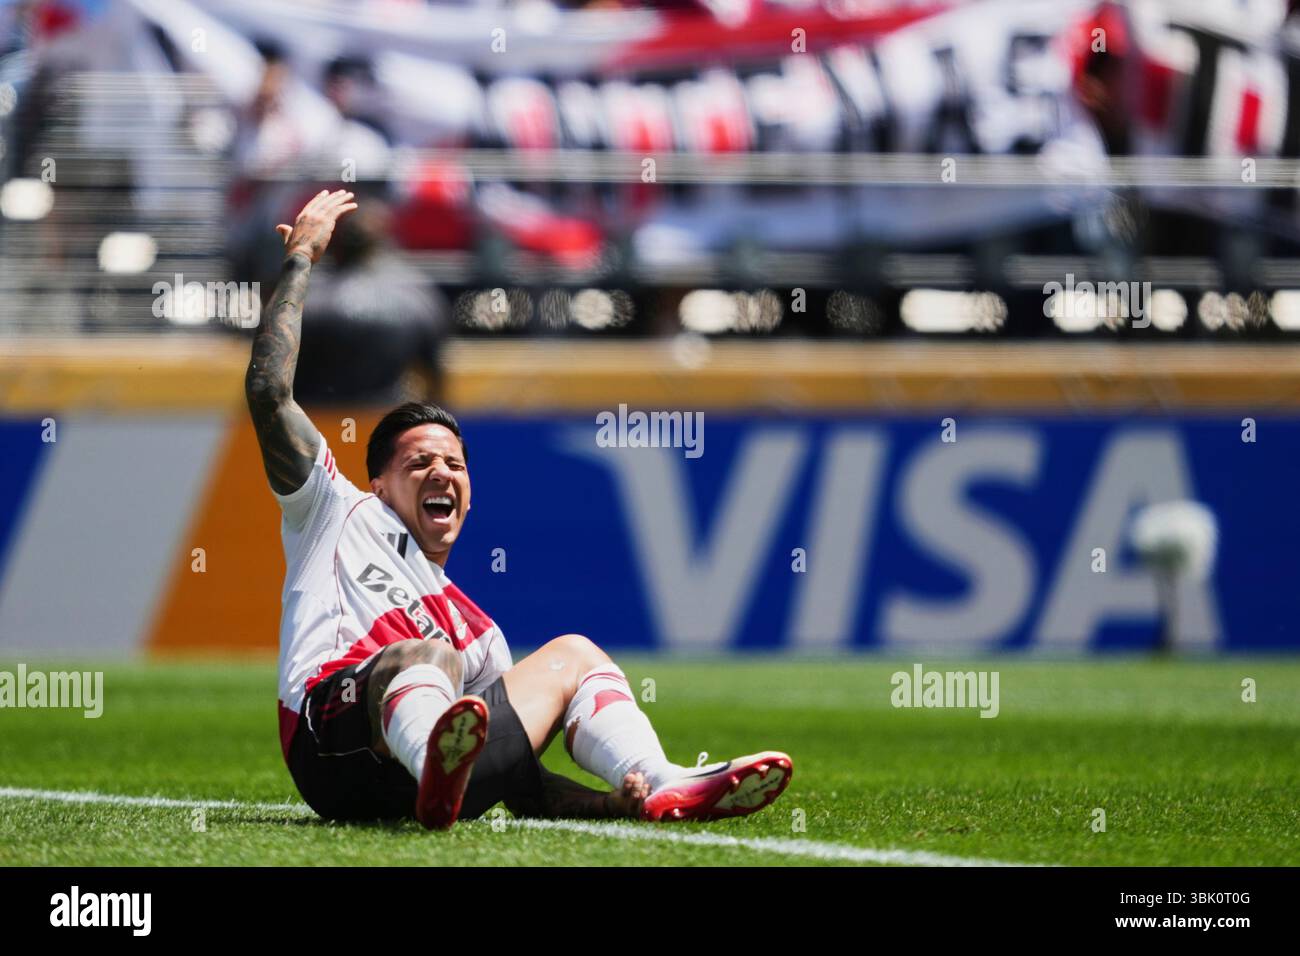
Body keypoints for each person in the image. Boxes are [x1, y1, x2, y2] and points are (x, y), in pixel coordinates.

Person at [248, 190, 793, 828]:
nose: (441, 473)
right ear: (378, 483)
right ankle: (433, 767)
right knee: (427, 660)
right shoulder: (335, 510)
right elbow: (268, 392)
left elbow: (523, 785)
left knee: (574, 653)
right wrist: (302, 258)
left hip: (427, 790)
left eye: (454, 464)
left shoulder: (479, 634)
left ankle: (661, 784)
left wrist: (606, 806)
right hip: (330, 750)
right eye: (418, 462)